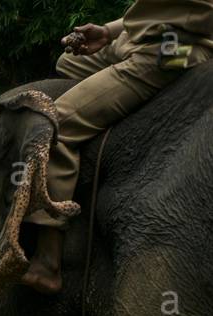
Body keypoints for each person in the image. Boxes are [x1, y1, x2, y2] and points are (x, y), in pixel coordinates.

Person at [21, 2, 213, 294]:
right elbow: (160, 9)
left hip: (175, 50)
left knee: (55, 126)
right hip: (144, 38)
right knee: (67, 62)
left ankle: (48, 259)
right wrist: (108, 32)